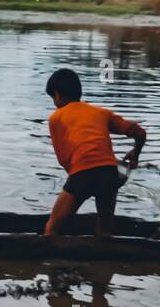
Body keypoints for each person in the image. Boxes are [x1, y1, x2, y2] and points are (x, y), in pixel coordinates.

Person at [43, 68, 146, 238]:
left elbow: (63, 158)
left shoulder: (56, 118)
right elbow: (140, 133)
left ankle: (49, 258)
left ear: (57, 95)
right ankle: (104, 260)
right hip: (110, 173)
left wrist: (79, 186)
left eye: (52, 97)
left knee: (52, 228)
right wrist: (136, 153)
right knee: (104, 233)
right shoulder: (100, 112)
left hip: (82, 173)